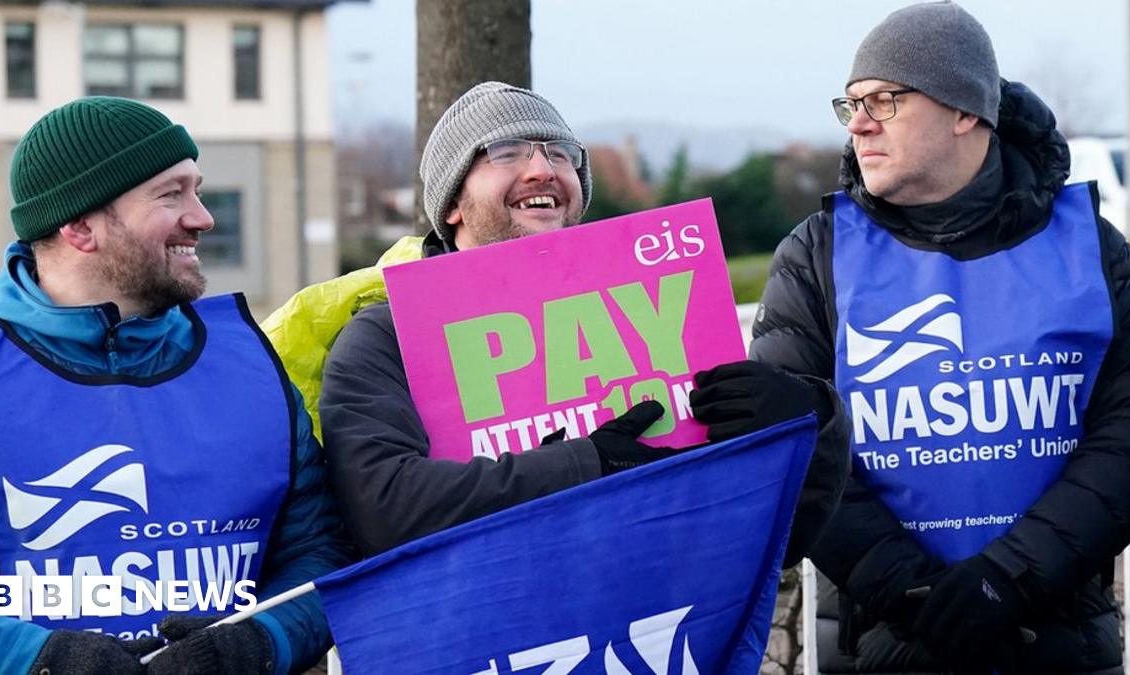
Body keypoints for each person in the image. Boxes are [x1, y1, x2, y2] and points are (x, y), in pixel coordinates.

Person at [754, 2, 1130, 673]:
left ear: (965, 109)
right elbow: (795, 445)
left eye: (883, 100)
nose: (858, 124)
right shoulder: (815, 254)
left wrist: (1009, 579)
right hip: (881, 645)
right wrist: (917, 596)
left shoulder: (1088, 245)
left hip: (1058, 644)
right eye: (850, 104)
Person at [314, 81, 849, 565]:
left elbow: (773, 540)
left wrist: (807, 425)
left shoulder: (663, 307)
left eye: (561, 154)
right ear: (453, 202)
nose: (543, 168)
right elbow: (383, 507)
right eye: (506, 152)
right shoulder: (386, 338)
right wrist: (585, 464)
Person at [0, 97, 349, 674]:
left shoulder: (249, 359)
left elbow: (322, 553)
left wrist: (258, 642)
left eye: (196, 188)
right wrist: (42, 660)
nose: (203, 217)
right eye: (171, 195)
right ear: (80, 226)